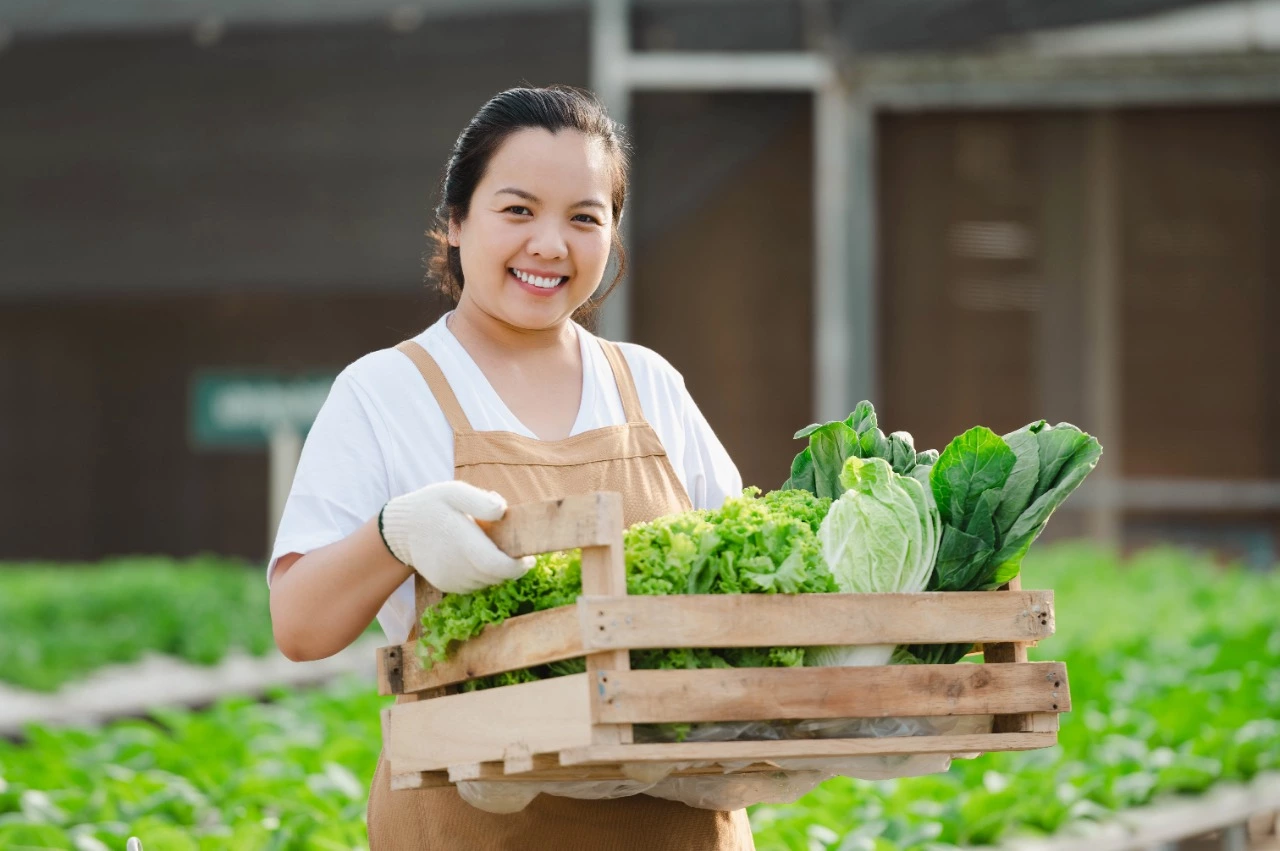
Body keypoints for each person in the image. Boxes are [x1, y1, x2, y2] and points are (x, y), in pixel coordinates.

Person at [266, 86, 754, 849]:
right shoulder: (385, 392)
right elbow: (298, 626)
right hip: (472, 830)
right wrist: (395, 534)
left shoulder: (649, 384)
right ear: (457, 221)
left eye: (585, 218)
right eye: (519, 210)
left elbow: (753, 597)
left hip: (678, 827)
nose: (550, 245)